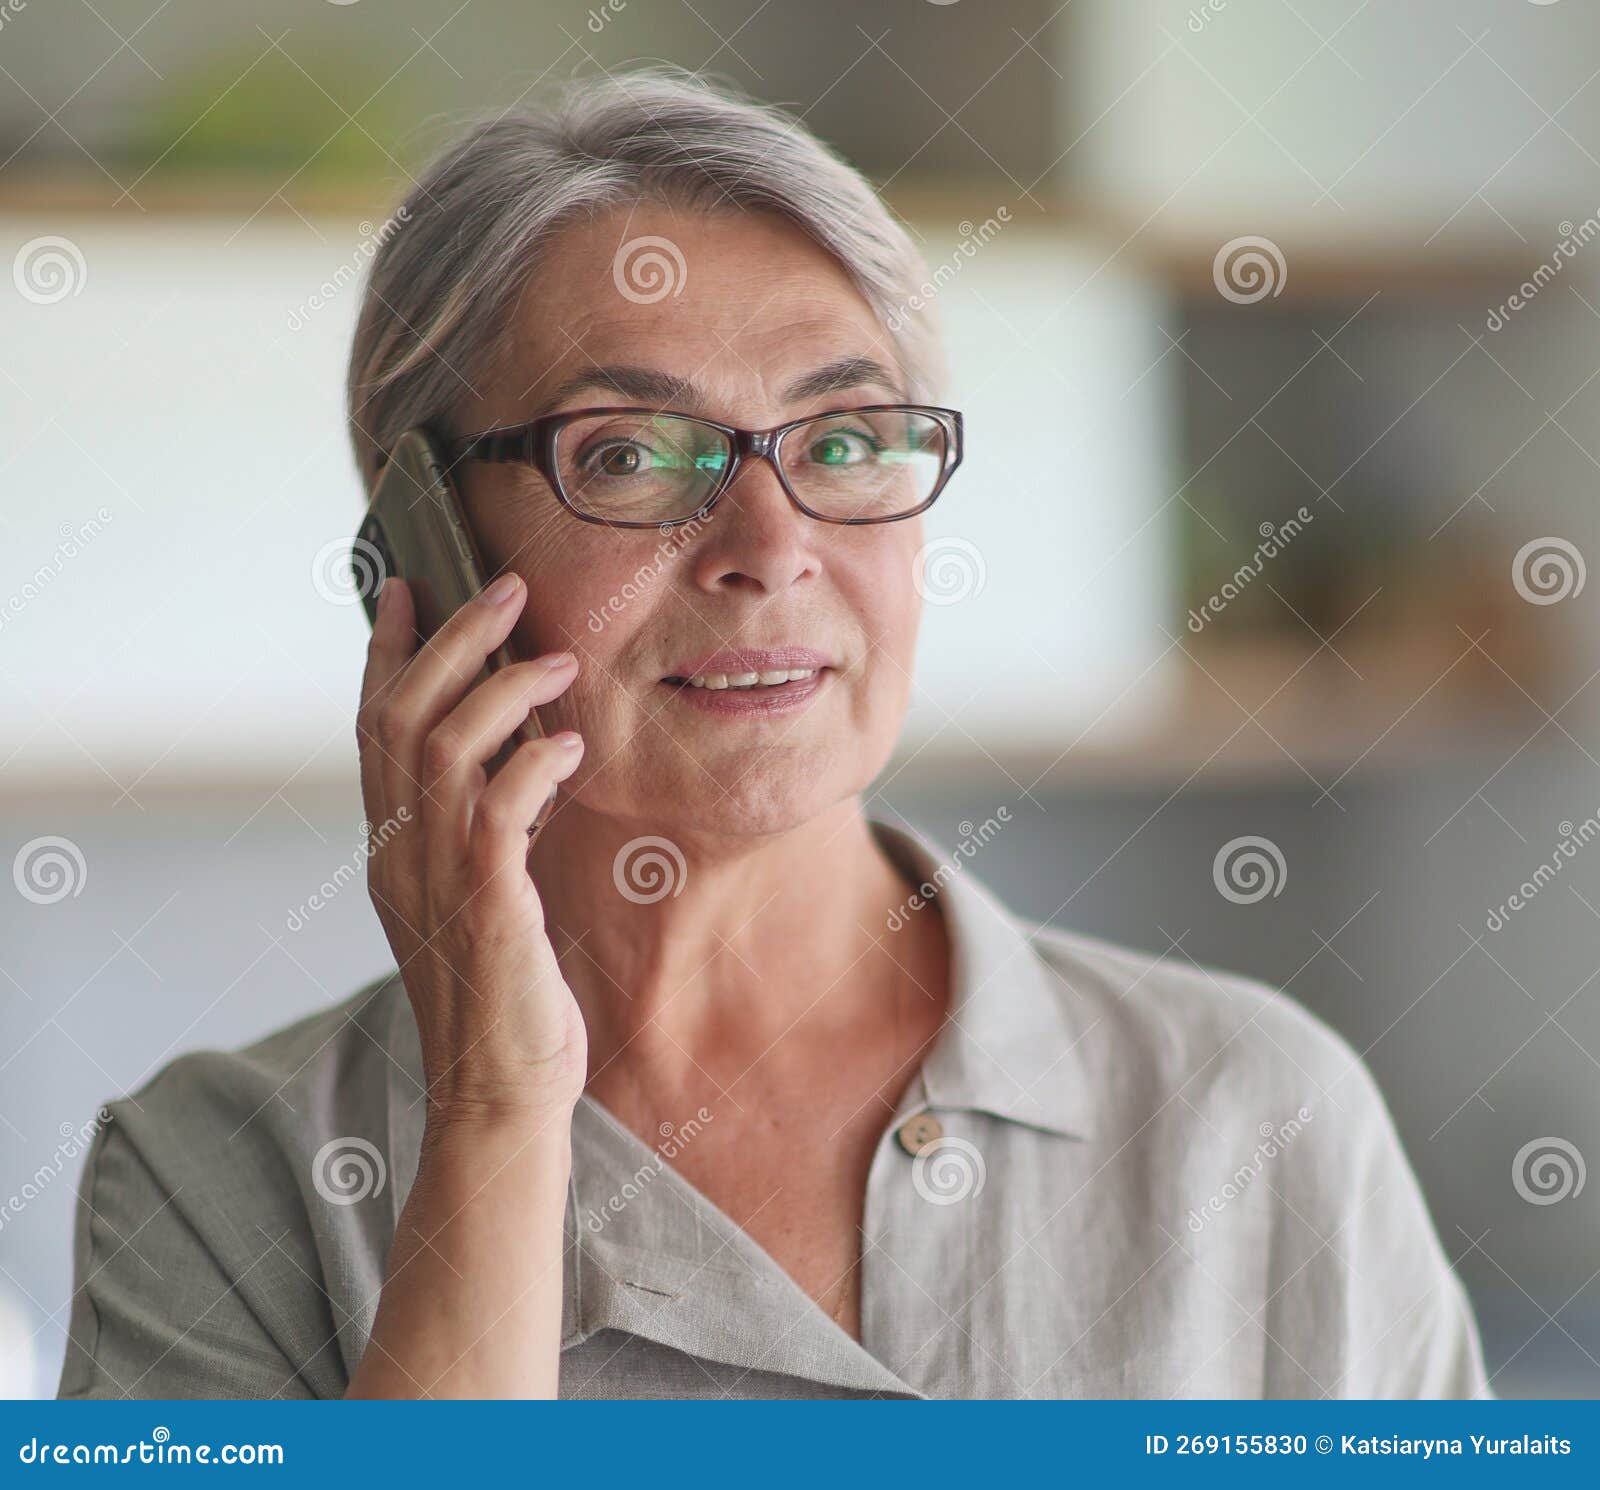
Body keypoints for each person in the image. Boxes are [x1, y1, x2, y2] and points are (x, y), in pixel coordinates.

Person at [58, 67, 1488, 1400]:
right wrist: (491, 1113)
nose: (770, 544)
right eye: (626, 452)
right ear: (419, 544)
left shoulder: (1261, 1118)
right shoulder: (213, 1183)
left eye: (846, 441)